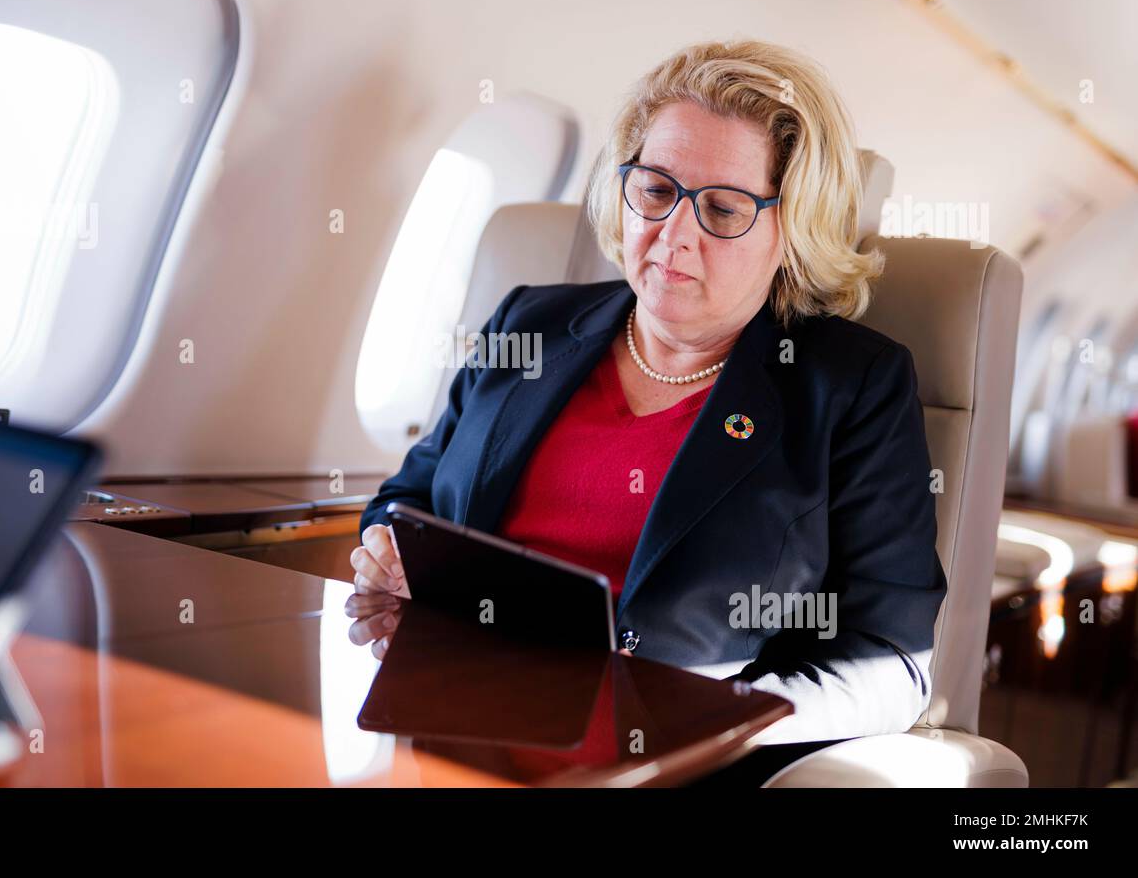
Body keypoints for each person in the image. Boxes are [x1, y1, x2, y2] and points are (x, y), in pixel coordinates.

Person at [349, 39, 946, 752]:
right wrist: (385, 547)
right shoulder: (529, 322)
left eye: (723, 210)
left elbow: (893, 659)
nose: (673, 234)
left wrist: (713, 714)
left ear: (791, 230)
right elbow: (407, 495)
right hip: (453, 721)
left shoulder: (854, 387)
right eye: (657, 191)